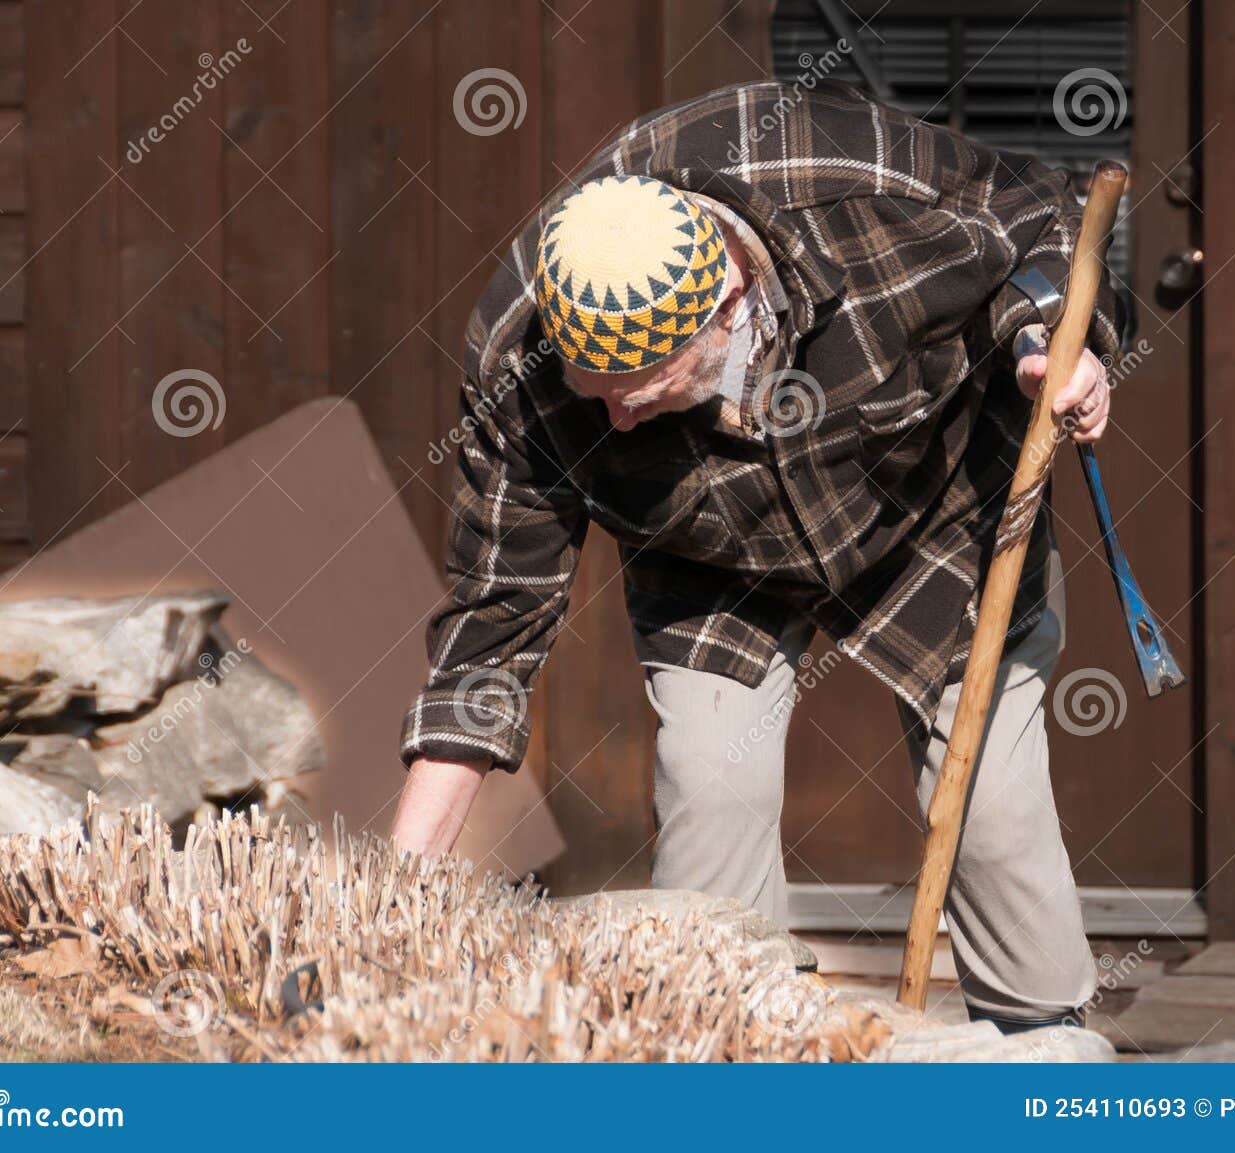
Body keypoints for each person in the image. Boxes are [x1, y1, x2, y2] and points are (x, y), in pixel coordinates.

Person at [392, 80, 1118, 1032]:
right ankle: (725, 1052)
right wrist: (398, 892)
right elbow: (495, 622)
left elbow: (1046, 221)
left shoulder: (861, 186)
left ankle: (1043, 1056)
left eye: (643, 393)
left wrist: (1048, 341)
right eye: (595, 393)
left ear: (729, 301)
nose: (614, 418)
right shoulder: (519, 364)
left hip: (935, 508)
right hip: (709, 556)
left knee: (992, 806)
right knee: (710, 785)